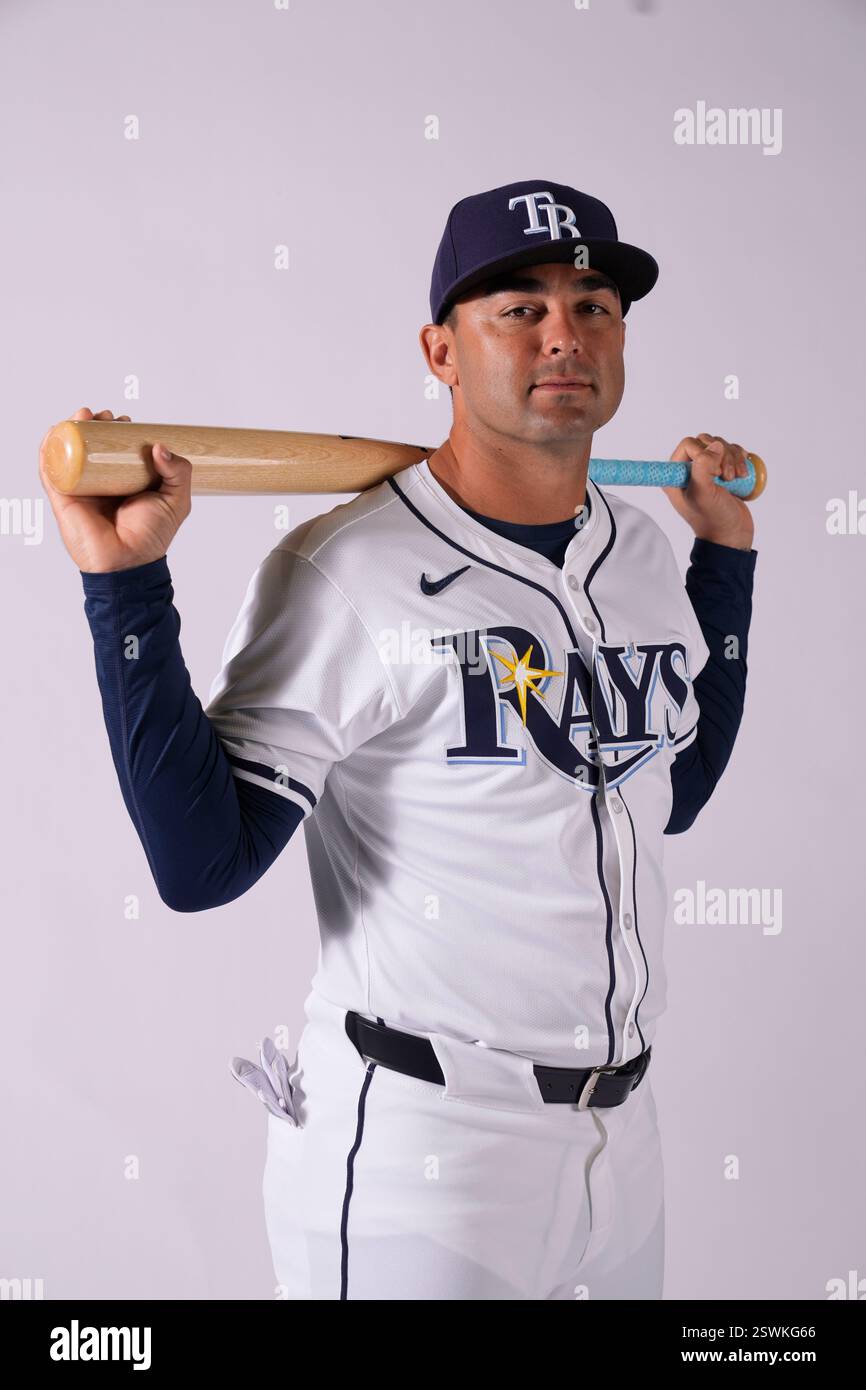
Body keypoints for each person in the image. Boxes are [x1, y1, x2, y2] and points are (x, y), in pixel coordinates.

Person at [40, 179, 757, 1300]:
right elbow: (200, 865)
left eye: (593, 302)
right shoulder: (347, 568)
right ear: (439, 350)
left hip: (626, 1145)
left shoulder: (636, 550)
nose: (564, 332)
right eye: (517, 308)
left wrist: (724, 561)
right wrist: (125, 587)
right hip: (421, 1148)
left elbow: (675, 785)